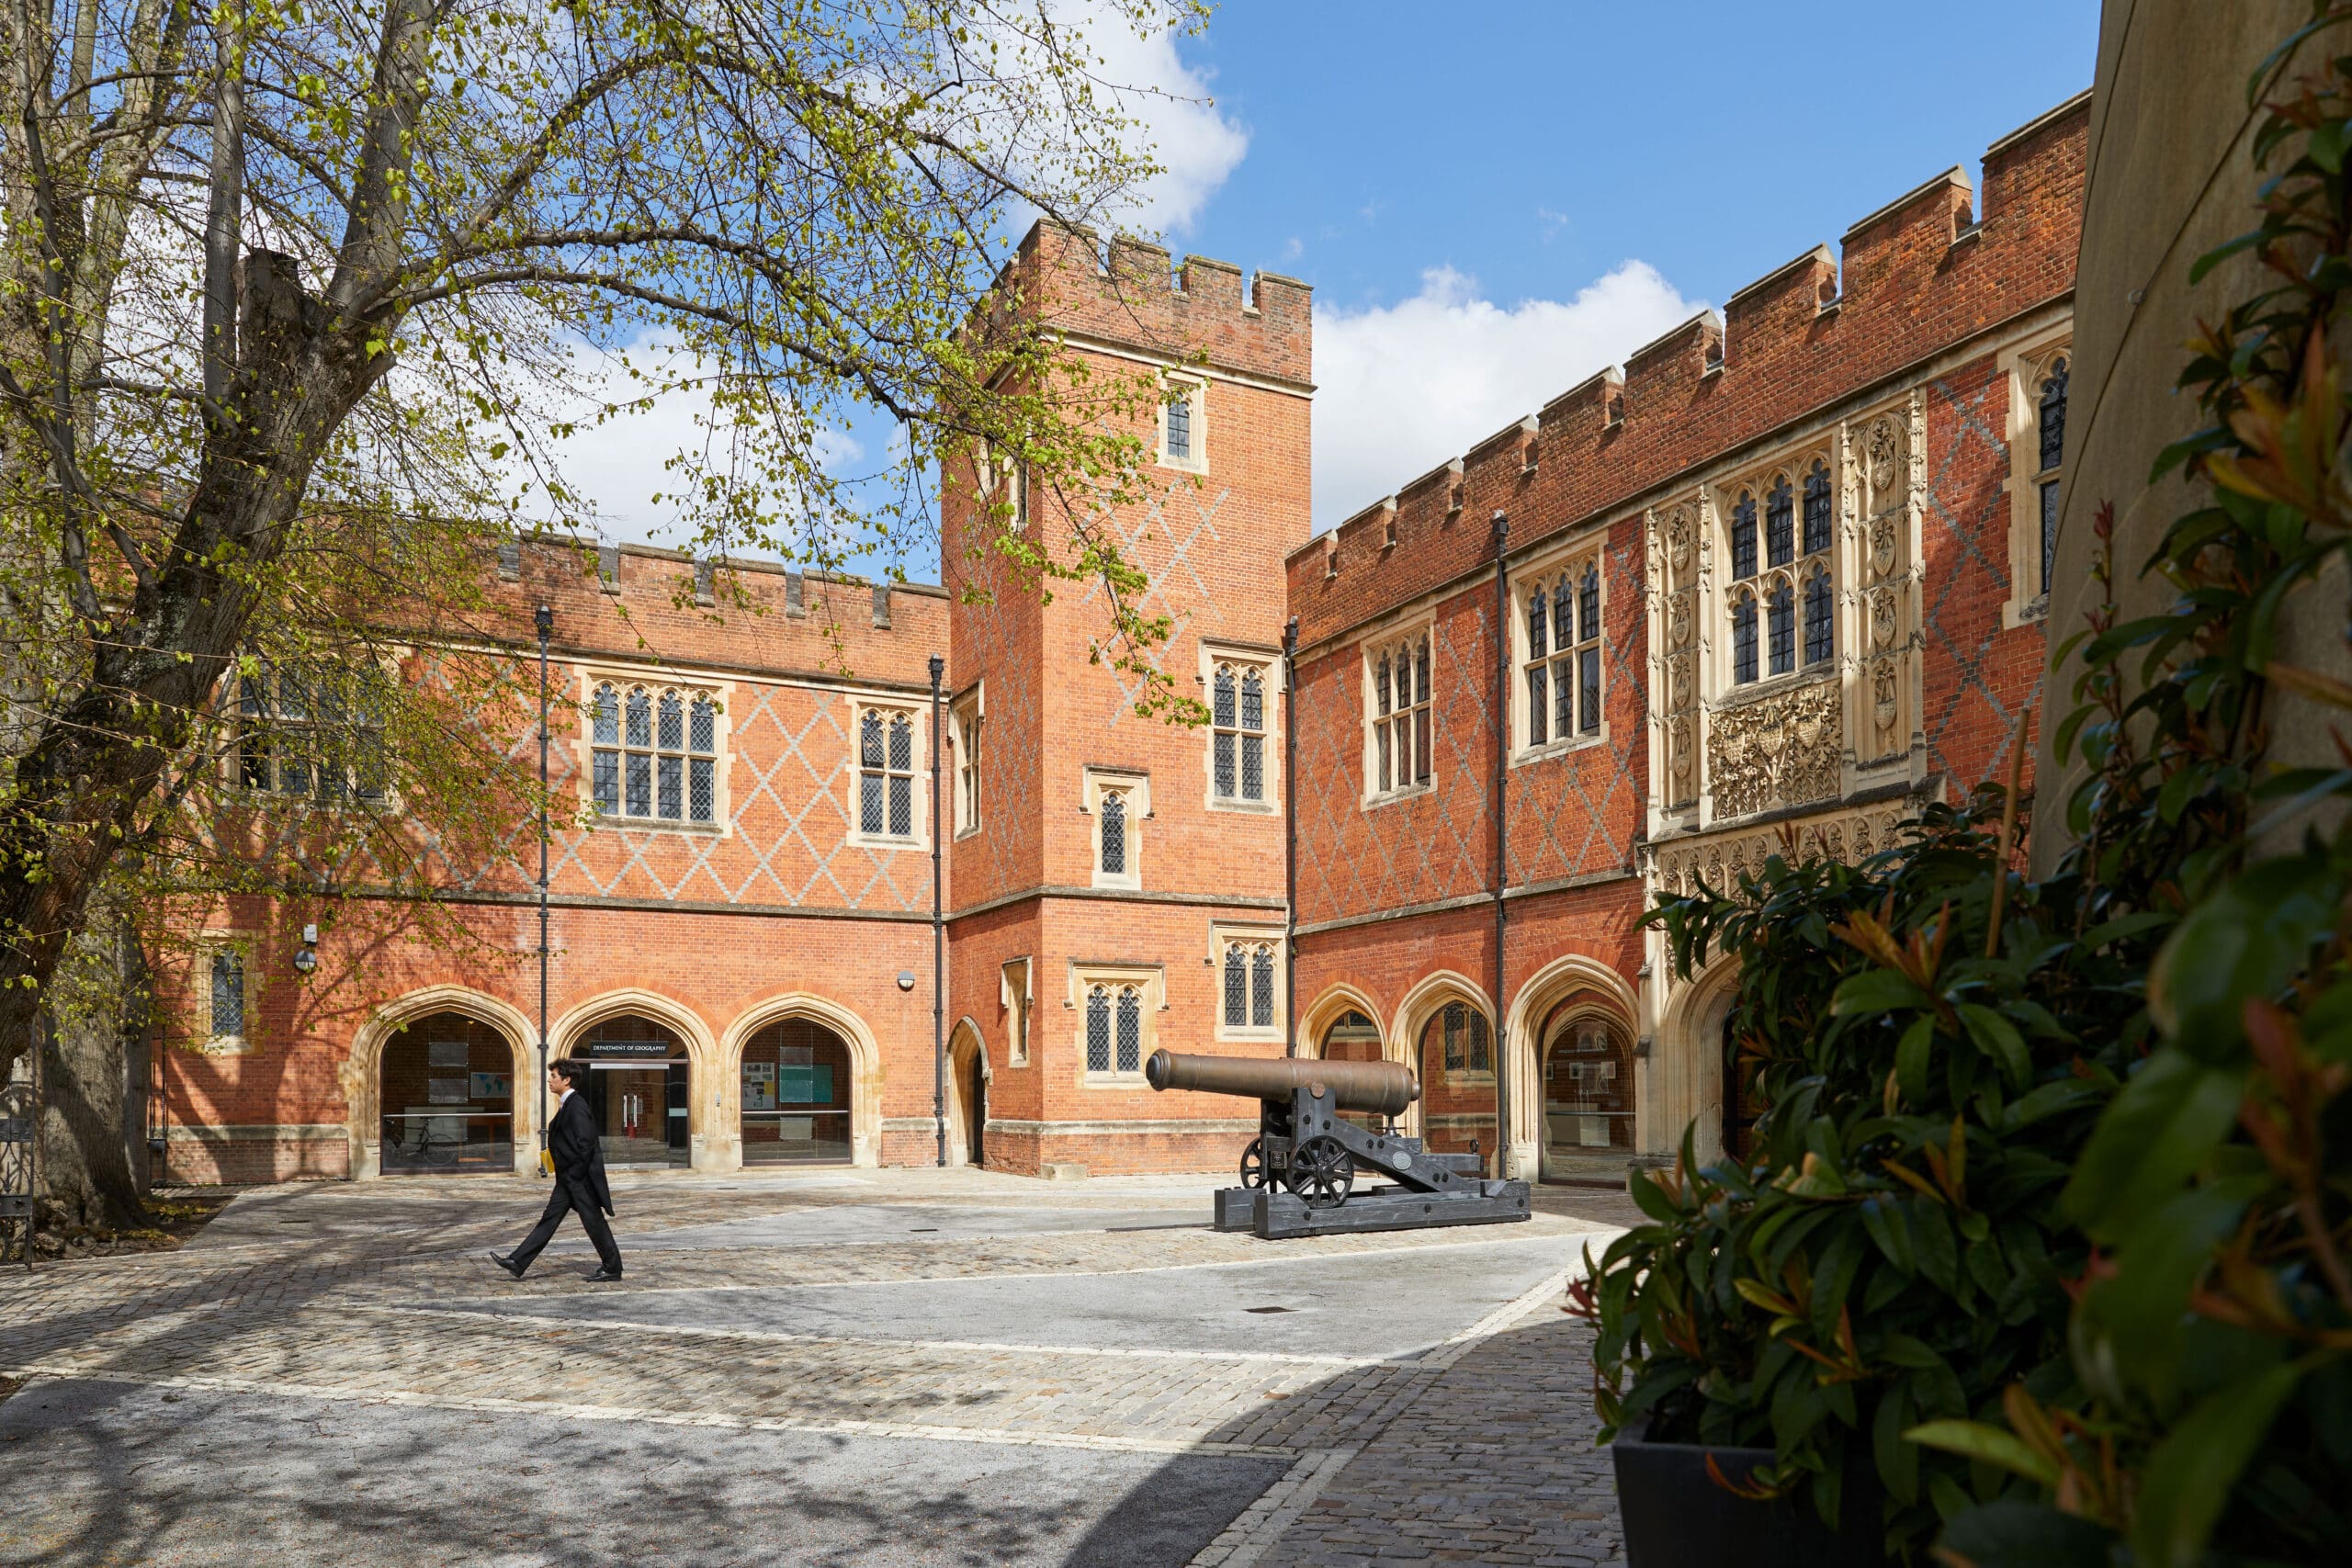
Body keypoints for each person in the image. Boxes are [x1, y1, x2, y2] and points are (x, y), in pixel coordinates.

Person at [492, 1058, 622, 1281]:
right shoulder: (567, 1104)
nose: (550, 1080)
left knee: (594, 1223)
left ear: (567, 1079)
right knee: (549, 1219)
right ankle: (518, 1261)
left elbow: (587, 1144)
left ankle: (612, 1267)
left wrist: (575, 1174)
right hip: (568, 1179)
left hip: (578, 1179)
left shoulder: (577, 1106)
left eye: (553, 1076)